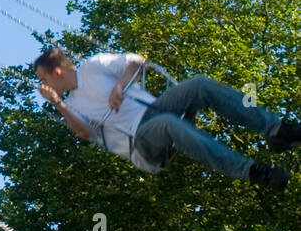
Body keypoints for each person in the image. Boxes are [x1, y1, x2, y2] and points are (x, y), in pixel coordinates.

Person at [33, 47, 301, 190]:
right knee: (169, 125)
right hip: (140, 142)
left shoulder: (93, 66)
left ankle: (276, 130)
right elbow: (85, 134)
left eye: (43, 79)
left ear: (56, 72)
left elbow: (136, 61)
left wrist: (119, 86)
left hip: (156, 110)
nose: (43, 86)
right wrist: (59, 105)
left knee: (198, 85)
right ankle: (253, 171)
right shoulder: (72, 104)